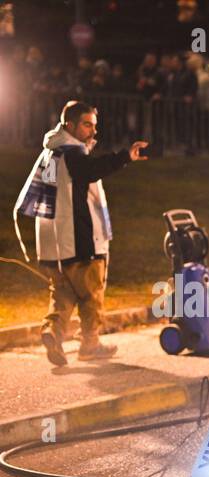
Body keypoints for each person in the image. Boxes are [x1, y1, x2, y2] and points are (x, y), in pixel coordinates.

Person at [14, 100, 148, 366]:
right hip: (78, 241)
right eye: (87, 125)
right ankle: (90, 344)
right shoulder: (73, 154)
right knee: (91, 295)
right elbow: (92, 170)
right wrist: (126, 157)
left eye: (94, 125)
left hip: (53, 244)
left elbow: (56, 188)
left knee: (63, 294)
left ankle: (52, 332)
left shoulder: (52, 153)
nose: (93, 131)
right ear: (70, 125)